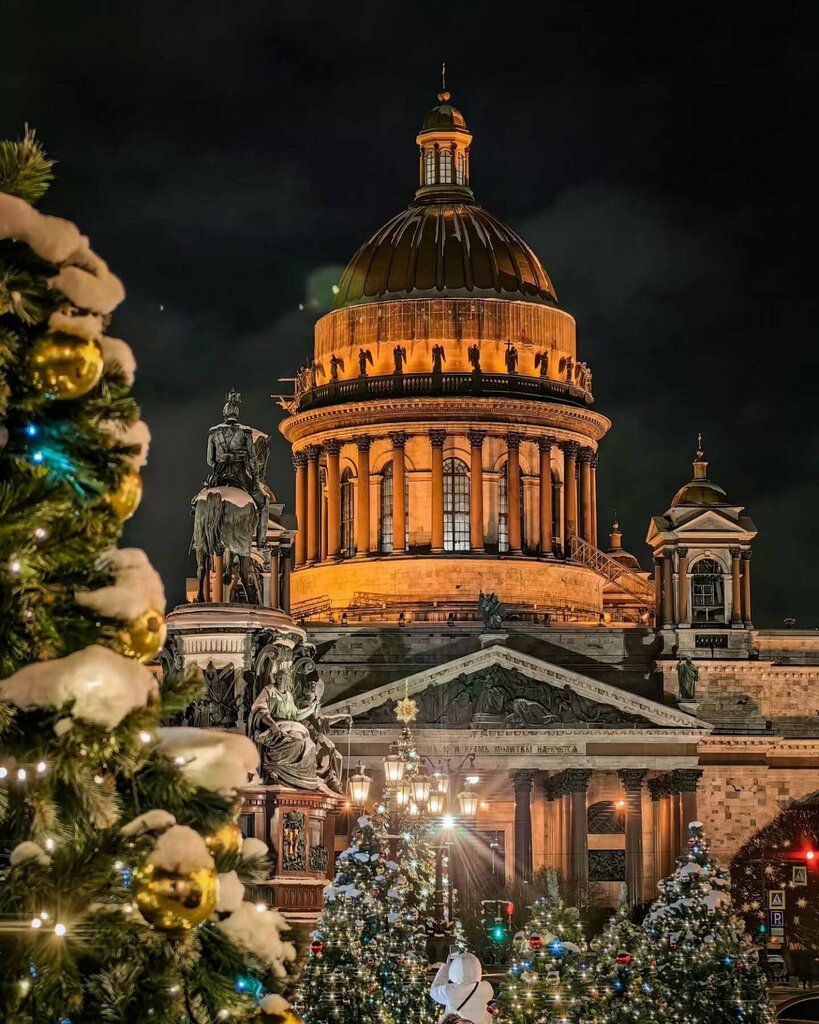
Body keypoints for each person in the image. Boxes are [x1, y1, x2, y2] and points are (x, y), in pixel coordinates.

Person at [430, 951, 494, 1024]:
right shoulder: (487, 989)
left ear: (454, 970)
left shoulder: (449, 991)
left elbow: (433, 991)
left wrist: (447, 966)